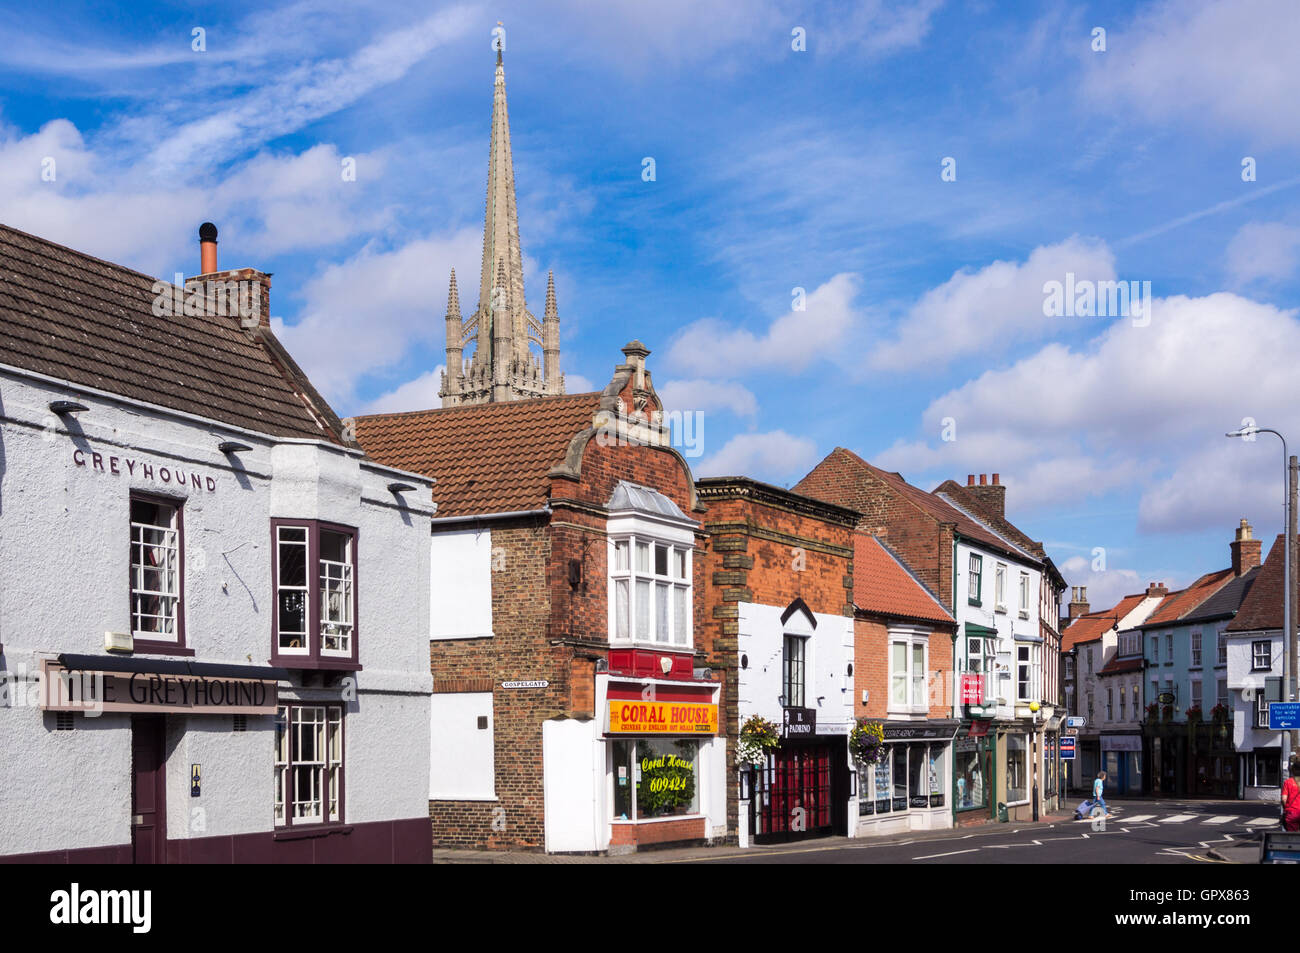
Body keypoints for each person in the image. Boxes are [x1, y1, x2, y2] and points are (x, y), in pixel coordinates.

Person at [1283, 757, 1300, 832]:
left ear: (1293, 771)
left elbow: (1284, 799)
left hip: (1292, 813)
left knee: (1292, 835)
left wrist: (1285, 808)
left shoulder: (1288, 782)